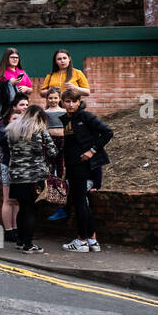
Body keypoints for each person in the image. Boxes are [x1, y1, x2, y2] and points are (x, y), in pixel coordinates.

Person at [61, 87, 111, 252]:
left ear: (79, 103)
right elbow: (69, 145)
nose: (70, 104)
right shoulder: (67, 120)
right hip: (73, 167)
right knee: (83, 202)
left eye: (73, 101)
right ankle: (92, 240)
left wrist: (91, 151)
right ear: (63, 102)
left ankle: (82, 240)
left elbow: (107, 133)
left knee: (80, 202)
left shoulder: (85, 116)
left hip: (85, 167)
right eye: (67, 101)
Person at [6, 107, 57, 254]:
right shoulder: (40, 131)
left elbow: (10, 151)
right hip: (34, 176)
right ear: (39, 117)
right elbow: (52, 152)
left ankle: (21, 241)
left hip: (16, 175)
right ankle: (28, 245)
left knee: (22, 208)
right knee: (31, 210)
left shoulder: (11, 130)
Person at [0, 97, 30, 243]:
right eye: (14, 119)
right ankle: (9, 231)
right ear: (8, 119)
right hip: (7, 166)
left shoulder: (22, 131)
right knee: (8, 200)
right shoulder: (3, 131)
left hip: (20, 168)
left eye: (19, 119)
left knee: (17, 201)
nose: (16, 122)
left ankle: (16, 229)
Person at [42, 87, 69, 221]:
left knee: (61, 164)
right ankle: (53, 184)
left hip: (63, 140)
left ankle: (62, 182)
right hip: (51, 141)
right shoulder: (45, 112)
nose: (53, 100)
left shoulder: (64, 111)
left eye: (55, 98)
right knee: (52, 164)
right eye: (50, 98)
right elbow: (44, 127)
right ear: (47, 99)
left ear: (60, 98)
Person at [0, 47, 33, 116]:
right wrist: (8, 83)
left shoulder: (22, 72)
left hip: (21, 107)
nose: (15, 59)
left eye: (17, 57)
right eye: (12, 57)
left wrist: (26, 89)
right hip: (5, 107)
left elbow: (30, 90)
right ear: (6, 59)